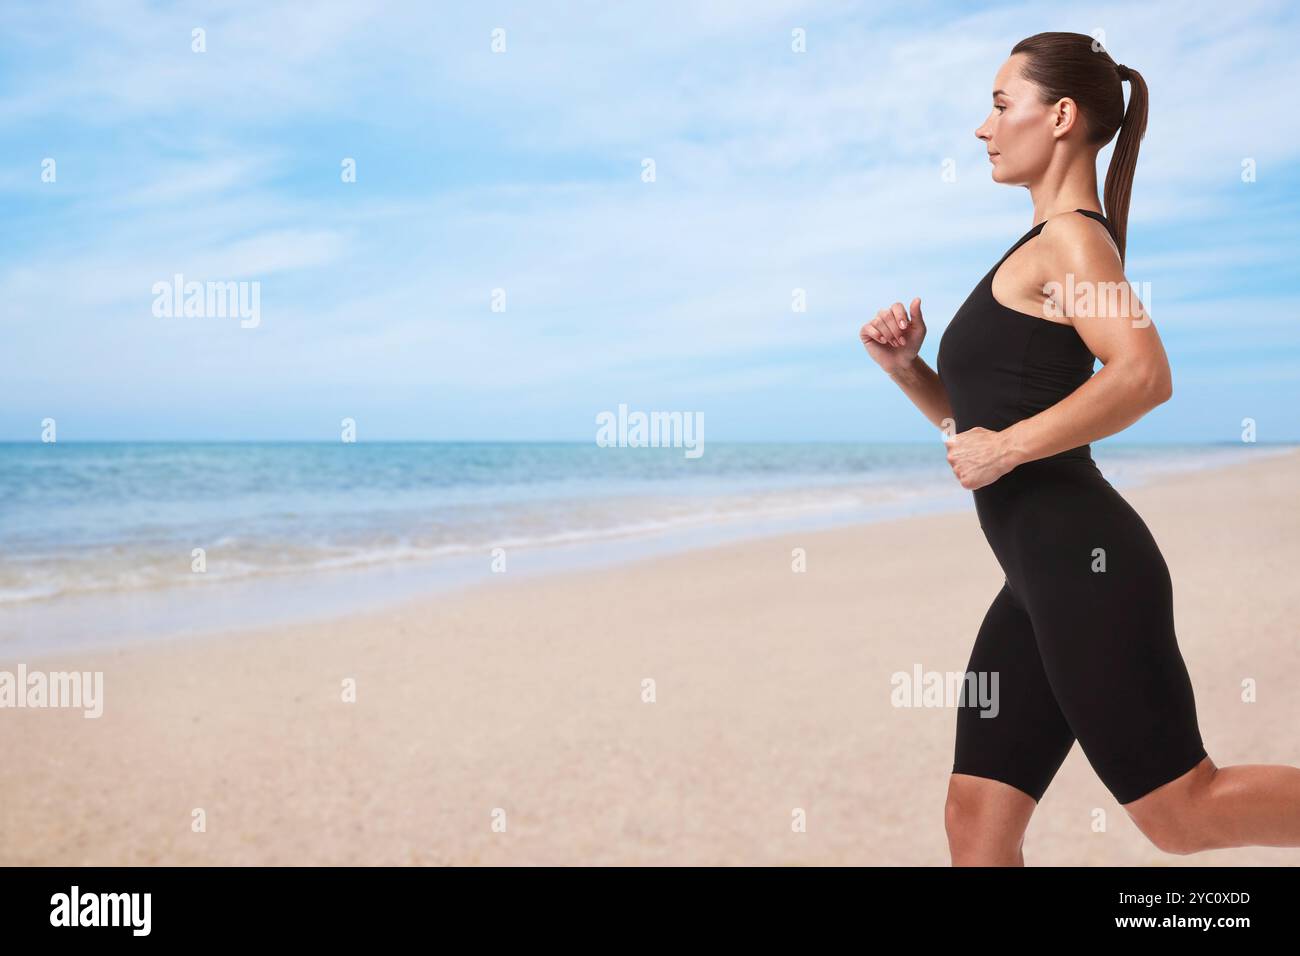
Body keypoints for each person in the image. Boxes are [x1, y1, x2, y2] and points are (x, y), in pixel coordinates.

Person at [859, 31, 1300, 865]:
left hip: (1086, 562)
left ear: (1060, 116)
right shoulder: (1040, 248)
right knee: (975, 819)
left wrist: (1009, 448)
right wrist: (909, 371)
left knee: (1183, 812)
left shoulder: (1072, 239)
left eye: (998, 105)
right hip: (1034, 583)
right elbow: (982, 429)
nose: (982, 129)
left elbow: (1143, 374)